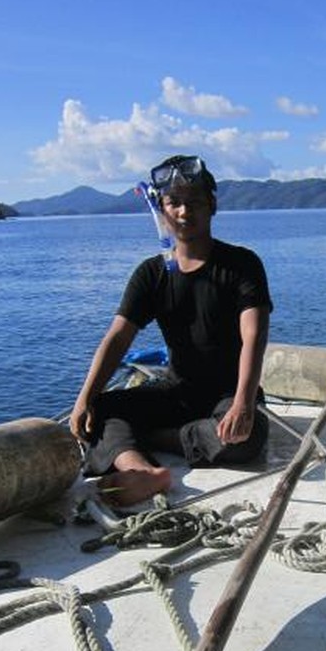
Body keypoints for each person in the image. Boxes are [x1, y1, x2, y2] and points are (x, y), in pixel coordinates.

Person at [70, 154, 272, 506]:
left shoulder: (242, 265)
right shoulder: (152, 274)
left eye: (193, 202)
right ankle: (140, 470)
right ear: (161, 209)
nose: (183, 211)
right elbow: (118, 337)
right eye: (174, 202)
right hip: (177, 390)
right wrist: (85, 398)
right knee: (98, 410)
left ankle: (154, 438)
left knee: (247, 436)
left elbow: (253, 336)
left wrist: (243, 402)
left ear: (211, 206)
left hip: (228, 393)